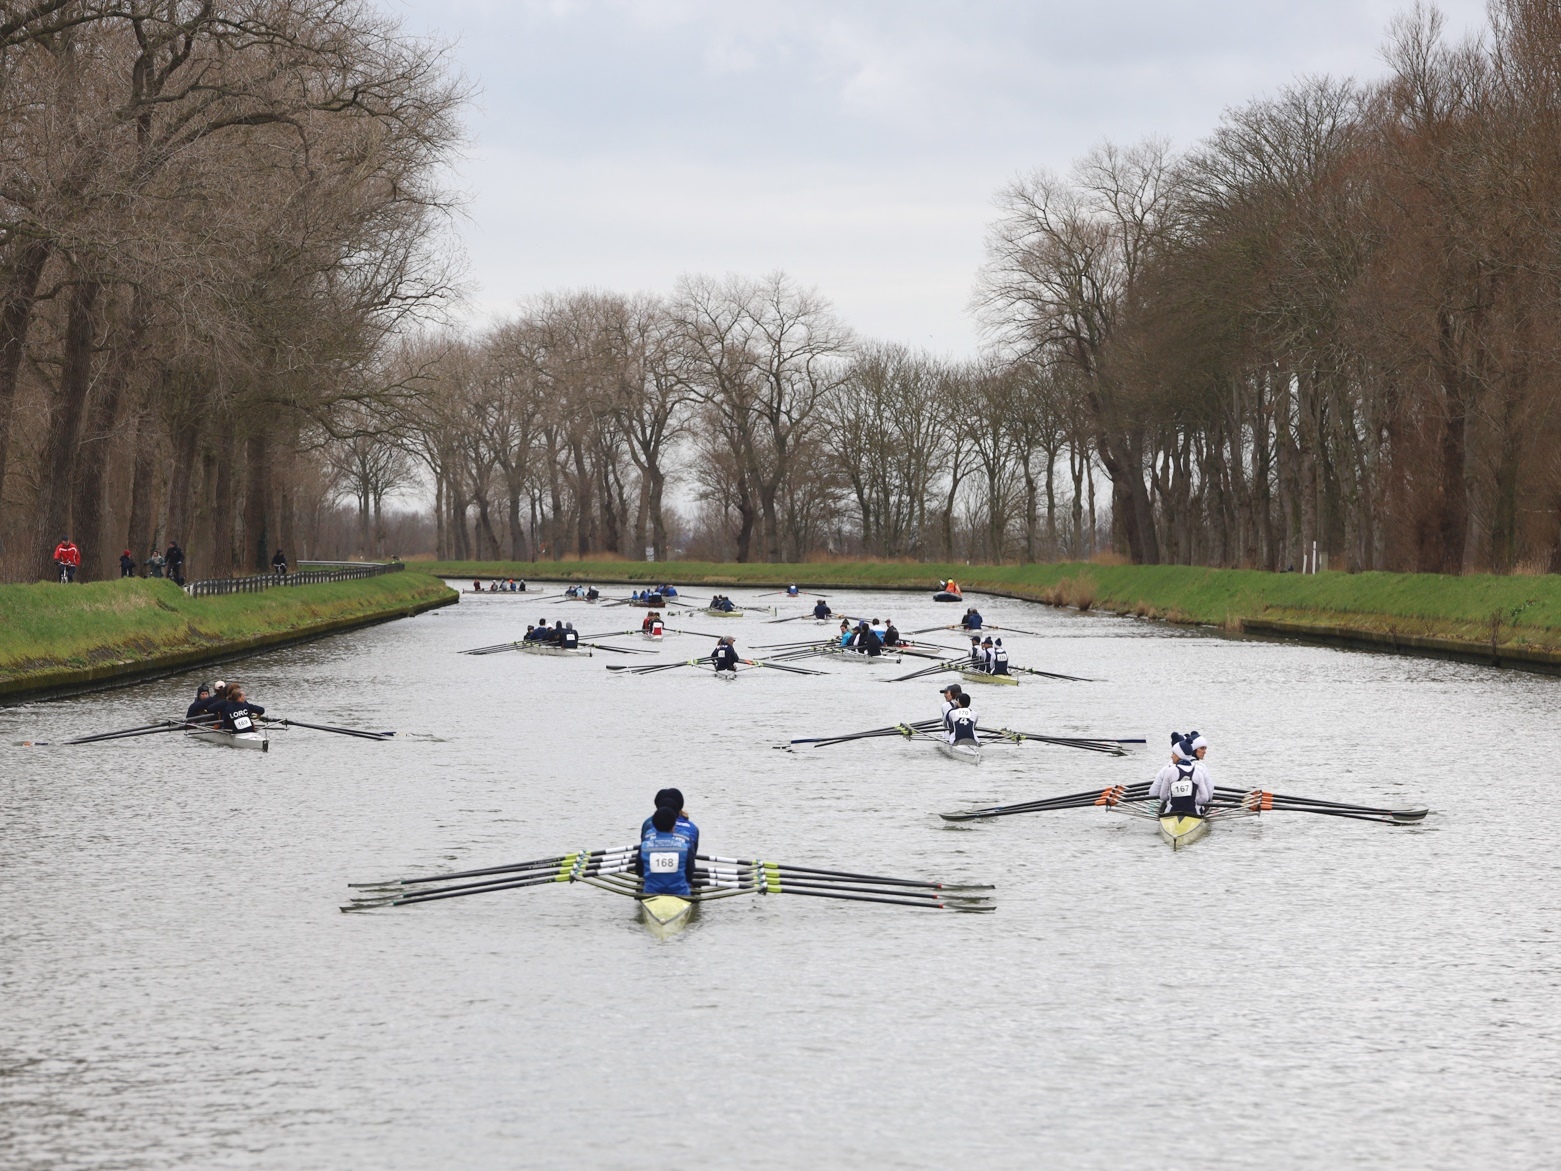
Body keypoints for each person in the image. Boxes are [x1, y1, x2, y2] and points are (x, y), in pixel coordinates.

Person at [639, 790, 699, 898]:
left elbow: (639, 871)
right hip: (681, 893)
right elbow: (690, 872)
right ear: (673, 826)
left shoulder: (646, 839)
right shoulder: (686, 843)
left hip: (650, 892)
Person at [1149, 733, 1214, 817]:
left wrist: (1169, 798)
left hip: (1171, 811)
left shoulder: (1167, 770)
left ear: (1179, 754)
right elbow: (1207, 797)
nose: (1171, 756)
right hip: (1194, 812)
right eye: (1202, 748)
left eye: (1173, 753)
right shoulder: (1199, 769)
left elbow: (1156, 794)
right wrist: (1197, 802)